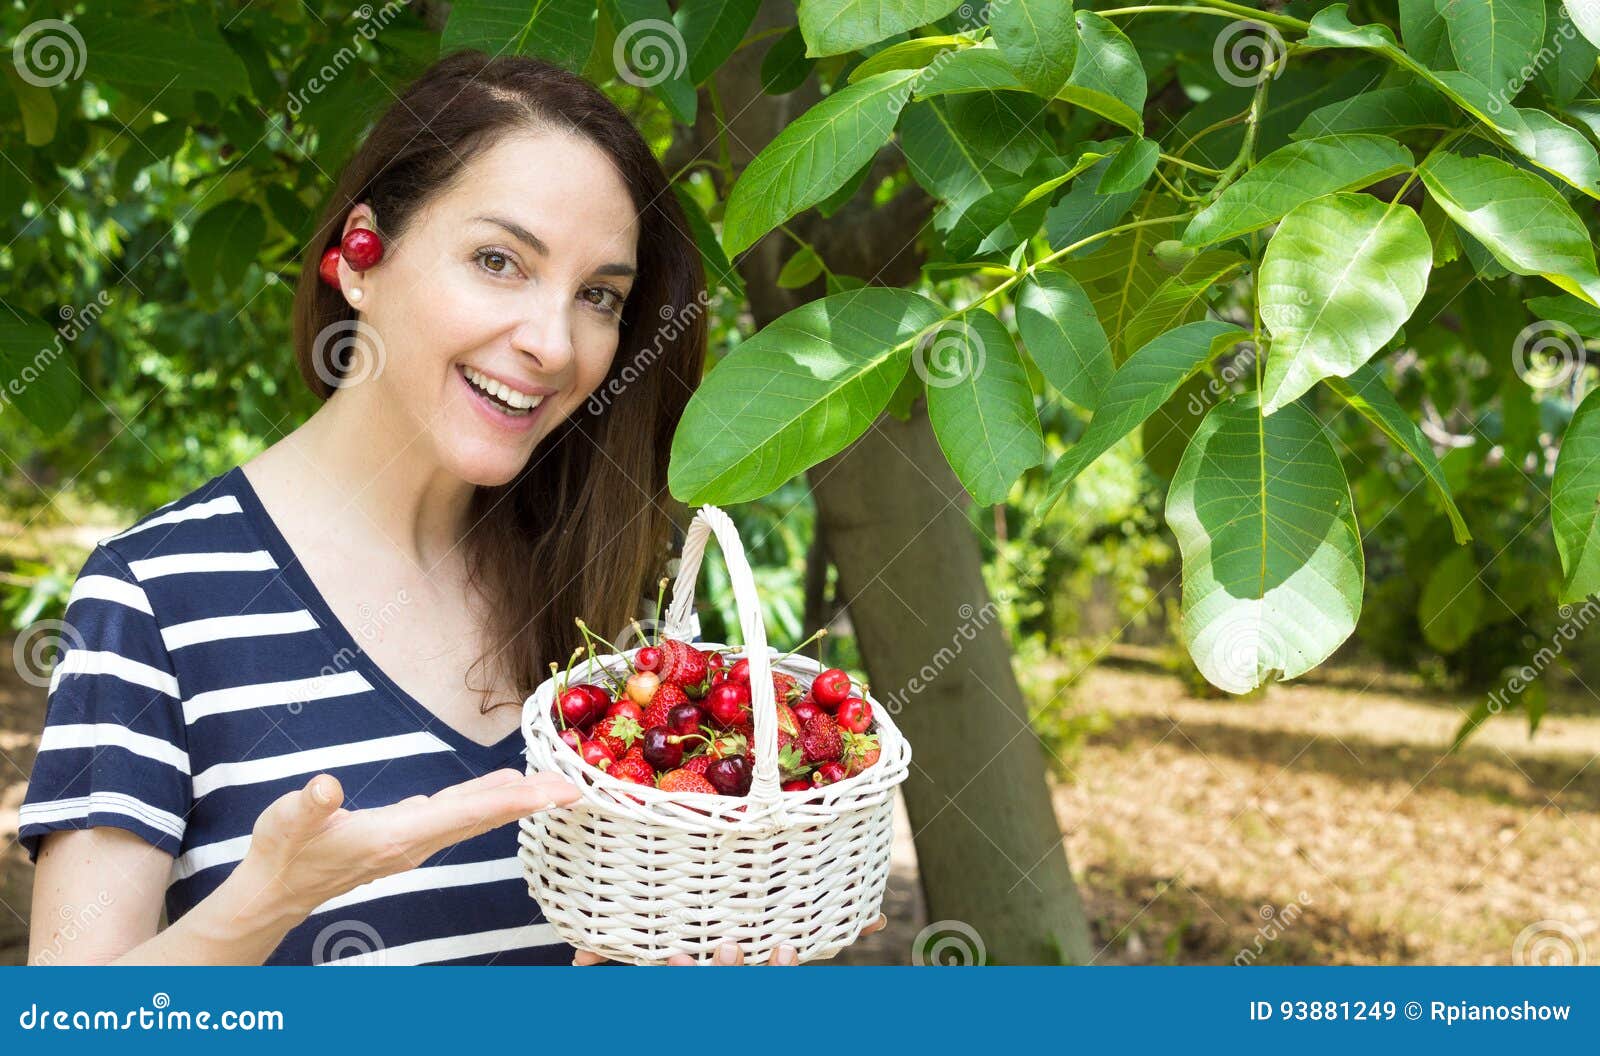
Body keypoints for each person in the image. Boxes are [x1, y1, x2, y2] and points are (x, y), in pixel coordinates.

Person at [20, 50, 882, 966]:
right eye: (499, 261)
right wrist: (267, 904)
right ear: (362, 255)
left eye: (598, 296)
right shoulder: (157, 598)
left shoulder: (604, 612)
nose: (553, 344)